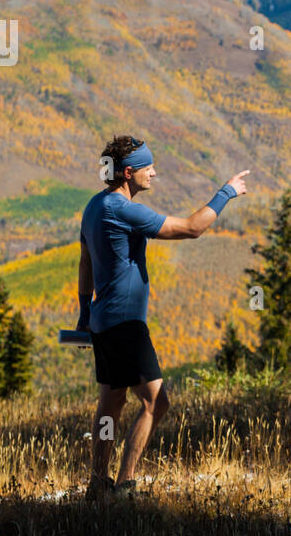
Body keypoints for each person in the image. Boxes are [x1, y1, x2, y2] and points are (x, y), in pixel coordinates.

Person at [78, 134, 248, 499]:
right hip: (125, 324)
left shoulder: (94, 207)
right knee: (157, 402)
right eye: (147, 168)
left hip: (103, 320)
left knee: (112, 402)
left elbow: (86, 261)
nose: (154, 173)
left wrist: (83, 312)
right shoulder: (121, 209)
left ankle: (97, 484)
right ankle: (124, 483)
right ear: (127, 173)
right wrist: (226, 192)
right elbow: (192, 228)